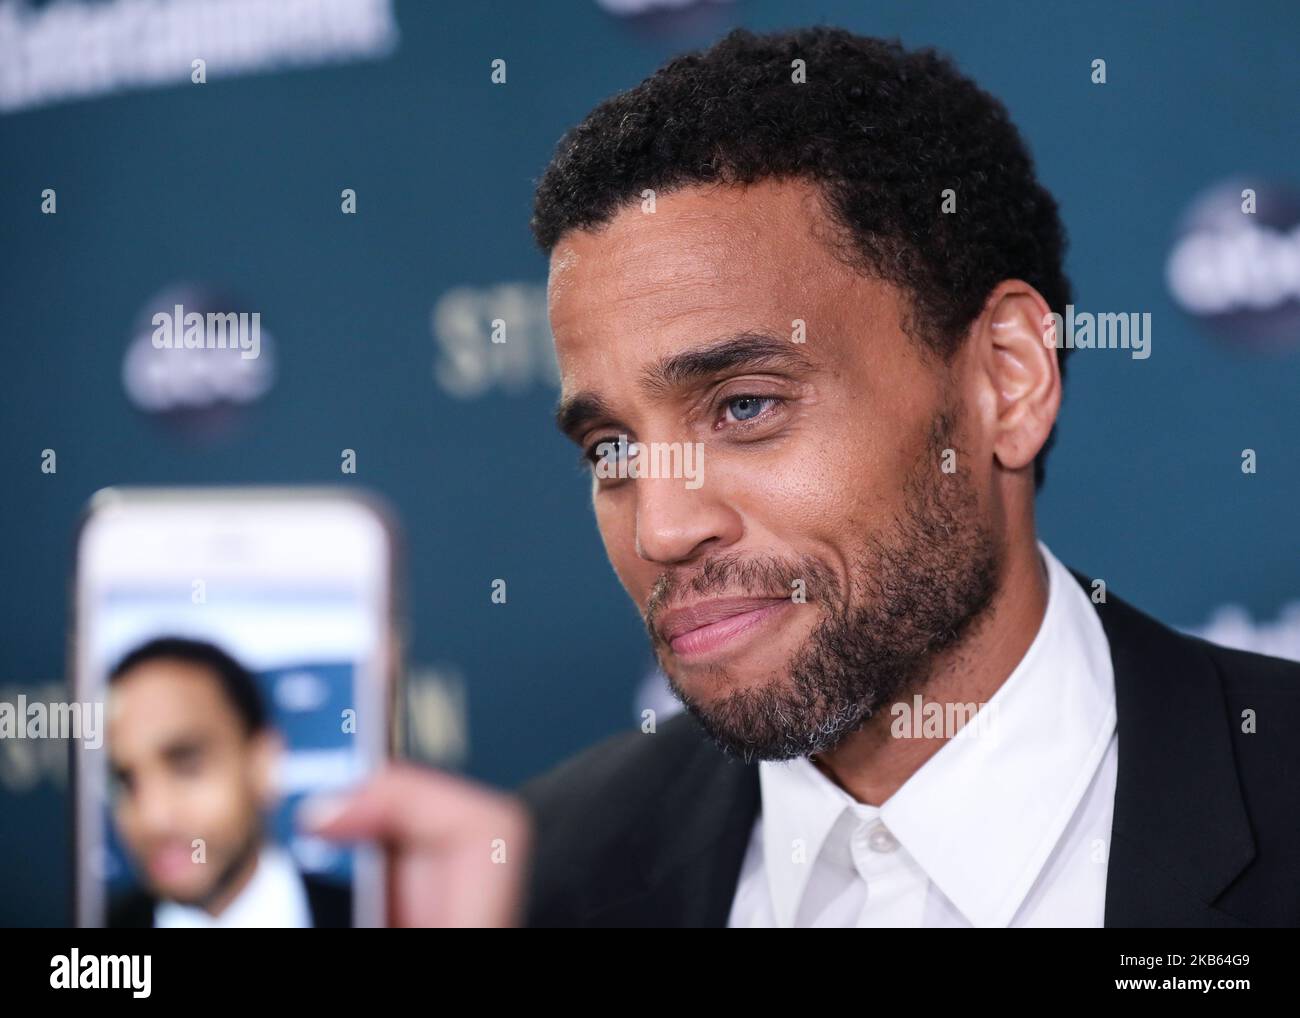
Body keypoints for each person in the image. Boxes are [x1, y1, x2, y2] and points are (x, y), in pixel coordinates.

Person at [307, 26, 1300, 927]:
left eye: (744, 407)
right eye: (610, 449)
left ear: (1006, 377)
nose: (661, 527)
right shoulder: (542, 877)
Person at [106, 637, 351, 928]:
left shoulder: (377, 917)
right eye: (126, 781)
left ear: (262, 765)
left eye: (186, 766)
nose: (153, 818)